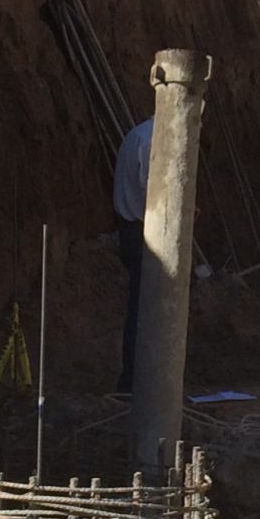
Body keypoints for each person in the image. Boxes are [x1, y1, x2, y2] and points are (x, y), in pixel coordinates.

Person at [111, 114, 154, 394]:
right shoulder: (155, 141)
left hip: (130, 228)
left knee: (142, 309)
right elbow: (156, 195)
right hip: (144, 234)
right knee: (146, 312)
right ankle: (136, 385)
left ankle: (135, 382)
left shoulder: (139, 133)